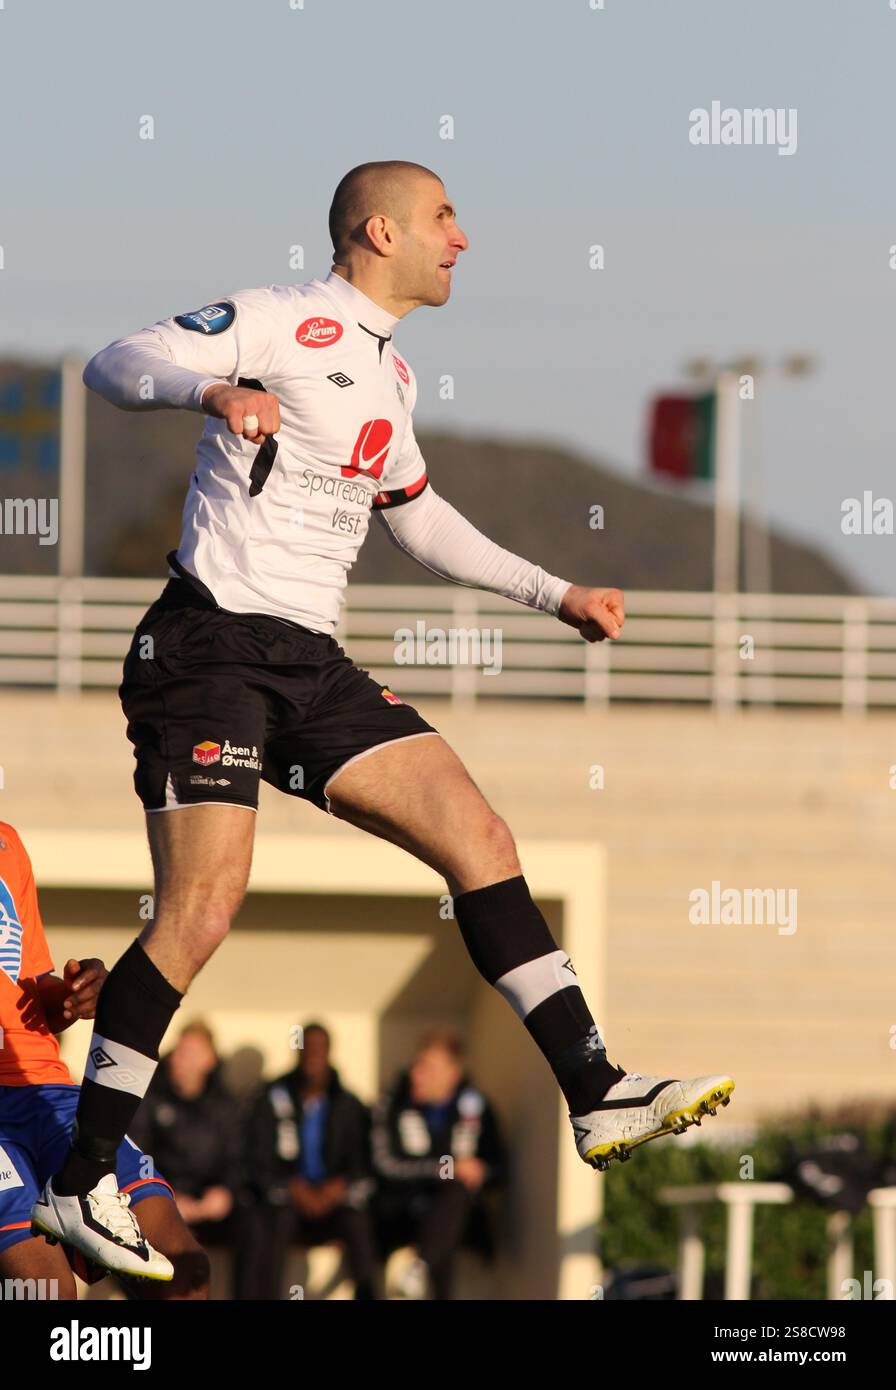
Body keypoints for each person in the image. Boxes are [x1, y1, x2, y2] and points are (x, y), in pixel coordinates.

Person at [34, 159, 734, 1276]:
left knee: (481, 839)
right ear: (380, 231)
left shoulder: (391, 376)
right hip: (209, 648)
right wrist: (212, 393)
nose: (463, 238)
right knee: (201, 910)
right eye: (445, 217)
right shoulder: (281, 318)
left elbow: (418, 518)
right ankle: (79, 1183)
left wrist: (554, 593)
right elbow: (116, 363)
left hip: (311, 665)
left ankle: (596, 1091)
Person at [0, 821, 207, 1297]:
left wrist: (74, 995)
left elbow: (29, 988)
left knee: (185, 1273)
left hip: (50, 1094)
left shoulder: (8, 843)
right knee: (45, 1289)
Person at [238, 1022, 376, 1299]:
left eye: (319, 1048)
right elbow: (256, 1157)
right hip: (288, 1198)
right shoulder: (270, 1098)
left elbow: (363, 1161)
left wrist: (339, 1186)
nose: (313, 1054)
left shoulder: (348, 1103)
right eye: (306, 1047)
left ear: (329, 1052)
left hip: (334, 1202)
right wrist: (291, 1185)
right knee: (270, 1221)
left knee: (360, 1222)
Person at [372, 1030, 505, 1299]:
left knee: (454, 1197)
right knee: (445, 1212)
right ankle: (420, 1269)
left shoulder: (476, 1107)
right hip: (402, 1213)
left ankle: (420, 1268)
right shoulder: (393, 1103)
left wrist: (480, 1171)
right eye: (417, 1065)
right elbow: (384, 1166)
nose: (416, 1075)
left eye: (427, 1068)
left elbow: (500, 1168)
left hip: (459, 1215)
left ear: (452, 1074)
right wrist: (446, 1169)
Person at [127, 1021, 240, 1256]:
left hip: (208, 1203)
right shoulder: (151, 1098)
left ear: (209, 1060)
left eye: (190, 1053)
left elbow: (236, 1158)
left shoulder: (225, 1105)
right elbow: (138, 1154)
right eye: (178, 1052)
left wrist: (225, 1191)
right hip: (164, 1196)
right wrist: (167, 1196)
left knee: (255, 1216)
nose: (178, 1060)